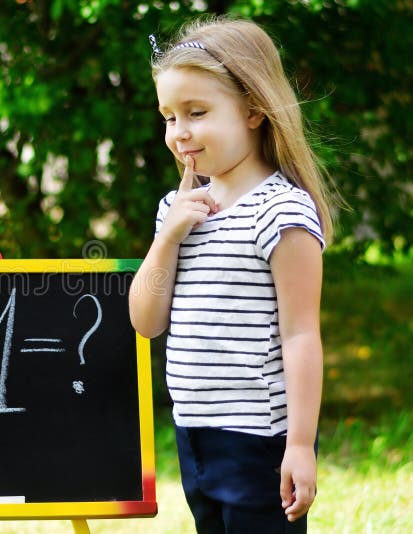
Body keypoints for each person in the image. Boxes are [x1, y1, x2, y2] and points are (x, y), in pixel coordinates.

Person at [129, 16, 335, 533]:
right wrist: (167, 236)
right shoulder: (176, 210)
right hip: (193, 431)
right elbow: (145, 321)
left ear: (253, 110)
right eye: (168, 117)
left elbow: (301, 334)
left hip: (257, 439)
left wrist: (301, 445)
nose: (179, 133)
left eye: (196, 112)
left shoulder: (281, 213)